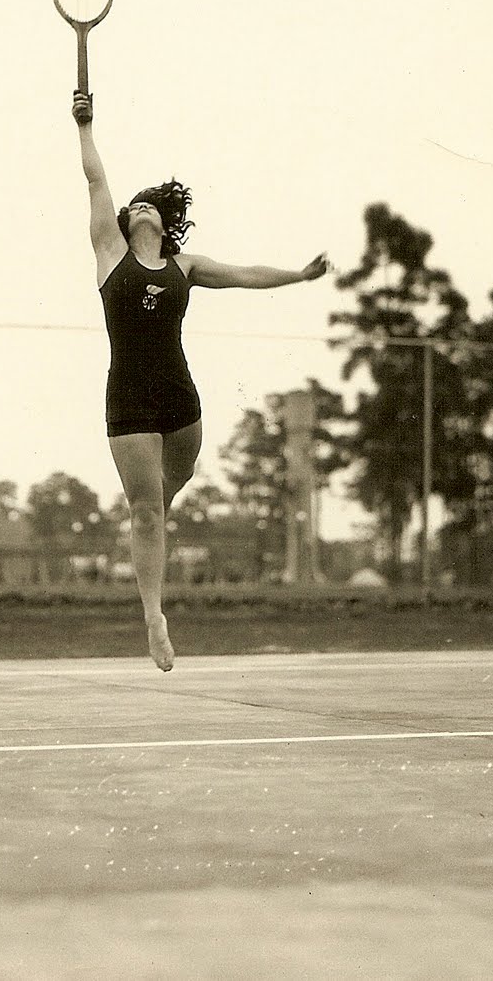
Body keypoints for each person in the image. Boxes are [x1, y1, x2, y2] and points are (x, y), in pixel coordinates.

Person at [73, 89, 329, 670]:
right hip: (129, 398)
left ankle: (153, 526)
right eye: (132, 205)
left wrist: (300, 276)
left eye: (148, 205)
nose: (138, 207)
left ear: (165, 222)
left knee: (172, 484)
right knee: (145, 510)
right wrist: (85, 126)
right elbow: (95, 183)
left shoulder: (186, 267)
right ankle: (153, 618)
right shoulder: (110, 252)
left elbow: (243, 274)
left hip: (180, 396)